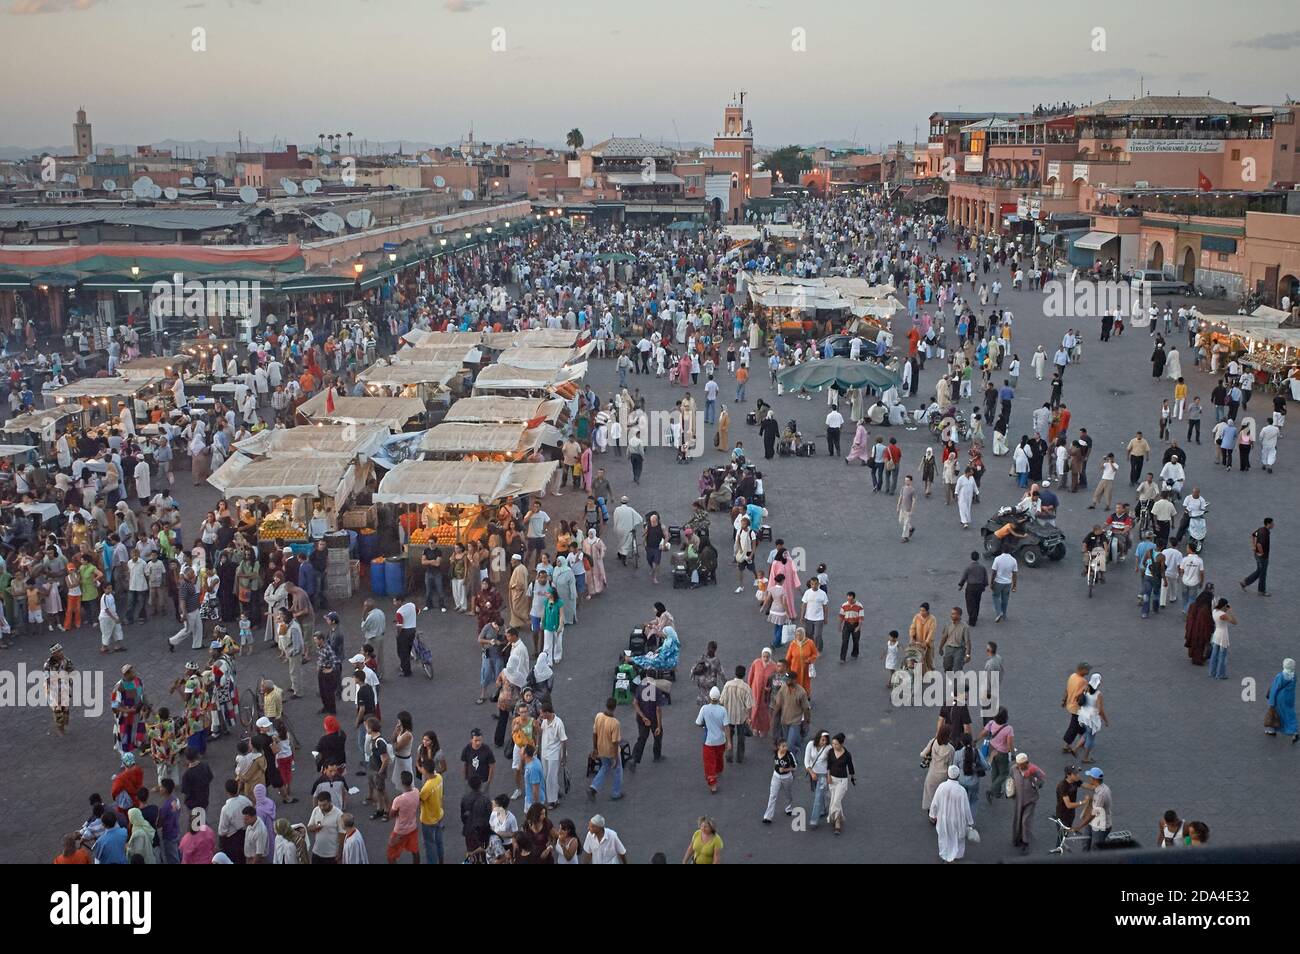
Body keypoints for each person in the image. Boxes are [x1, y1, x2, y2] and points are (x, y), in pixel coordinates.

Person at [929, 764, 974, 862]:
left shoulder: (942, 787)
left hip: (943, 818)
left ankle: (946, 856)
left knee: (945, 838)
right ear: (958, 776)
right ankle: (954, 857)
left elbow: (934, 803)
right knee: (957, 839)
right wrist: (970, 821)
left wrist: (932, 815)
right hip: (957, 820)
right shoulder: (961, 791)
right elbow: (966, 808)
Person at [1010, 752, 1046, 853]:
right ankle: (1017, 838)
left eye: (1020, 764)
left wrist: (1034, 782)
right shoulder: (1014, 769)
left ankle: (1025, 841)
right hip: (1018, 799)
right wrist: (1009, 790)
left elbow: (1042, 781)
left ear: (1026, 763)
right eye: (1017, 764)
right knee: (1017, 819)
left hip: (1030, 799)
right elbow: (1011, 779)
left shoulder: (1034, 770)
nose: (1018, 766)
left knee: (1025, 820)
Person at [695, 686, 728, 793]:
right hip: (721, 740)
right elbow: (726, 727)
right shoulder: (723, 710)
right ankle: (718, 771)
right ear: (719, 698)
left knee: (709, 762)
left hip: (708, 741)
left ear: (709, 697)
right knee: (719, 758)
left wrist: (706, 725)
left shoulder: (704, 709)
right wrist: (730, 741)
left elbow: (698, 723)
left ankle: (713, 783)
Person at [761, 738, 798, 824]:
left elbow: (795, 767)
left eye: (786, 746)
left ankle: (788, 808)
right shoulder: (775, 753)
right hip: (776, 776)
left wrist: (785, 769)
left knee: (788, 793)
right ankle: (768, 817)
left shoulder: (789, 755)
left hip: (787, 777)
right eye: (783, 746)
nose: (785, 748)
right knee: (772, 795)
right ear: (778, 747)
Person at [1264, 659, 1298, 743]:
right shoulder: (1294, 675)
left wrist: (1271, 702)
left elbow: (1274, 689)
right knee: (1290, 714)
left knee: (1275, 714)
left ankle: (1272, 730)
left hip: (1280, 699)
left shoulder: (1281, 676)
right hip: (1290, 698)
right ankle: (1294, 731)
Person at [1208, 597, 1237, 680]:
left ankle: (1212, 672)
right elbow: (1235, 622)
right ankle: (1220, 674)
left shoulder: (1214, 611)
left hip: (1216, 634)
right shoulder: (1222, 615)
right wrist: (1230, 611)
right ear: (1224, 606)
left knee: (1214, 654)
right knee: (1222, 655)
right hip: (1223, 636)